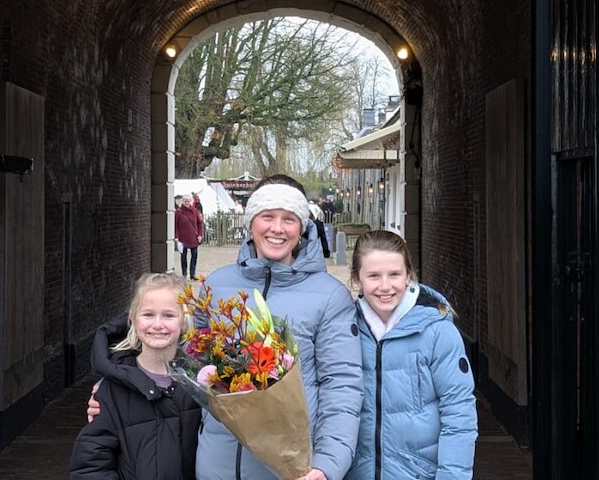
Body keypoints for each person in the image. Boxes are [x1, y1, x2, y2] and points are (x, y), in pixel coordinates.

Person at [195, 175, 362, 480]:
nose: (277, 228)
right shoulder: (215, 286)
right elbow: (181, 359)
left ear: (302, 227)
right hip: (216, 464)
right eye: (267, 216)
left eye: (289, 219)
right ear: (251, 222)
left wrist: (327, 465)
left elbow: (341, 385)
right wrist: (117, 391)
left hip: (292, 469)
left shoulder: (329, 295)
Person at [345, 230, 478, 479]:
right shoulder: (344, 329)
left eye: (394, 274)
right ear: (356, 279)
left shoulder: (438, 331)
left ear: (408, 275)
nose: (385, 286)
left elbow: (459, 412)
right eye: (374, 276)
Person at [68, 273, 200, 479]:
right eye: (148, 315)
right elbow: (91, 465)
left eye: (169, 315)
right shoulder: (113, 389)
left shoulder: (199, 384)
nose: (158, 324)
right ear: (132, 319)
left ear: (184, 322)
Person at [174, 195, 204, 279]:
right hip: (182, 237)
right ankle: (184, 273)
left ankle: (192, 274)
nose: (187, 202)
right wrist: (176, 237)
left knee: (194, 255)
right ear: (182, 201)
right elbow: (175, 225)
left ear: (191, 201)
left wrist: (200, 235)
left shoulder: (195, 211)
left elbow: (199, 223)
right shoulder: (178, 212)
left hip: (193, 237)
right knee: (183, 256)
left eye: (188, 201)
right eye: (185, 201)